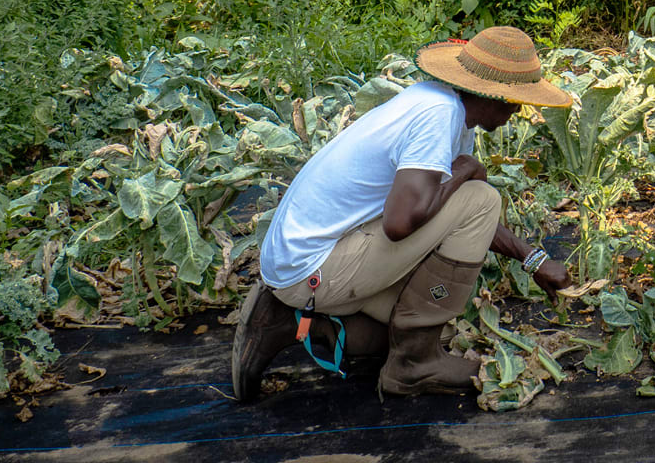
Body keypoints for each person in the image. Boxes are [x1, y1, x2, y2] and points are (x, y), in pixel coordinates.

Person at [230, 26, 575, 400]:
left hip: (305, 259)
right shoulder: (438, 117)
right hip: (315, 267)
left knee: (433, 323)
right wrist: (464, 173)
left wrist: (532, 259)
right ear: (490, 94)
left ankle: (289, 323)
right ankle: (414, 366)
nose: (517, 109)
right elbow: (399, 225)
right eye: (513, 98)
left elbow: (448, 212)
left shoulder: (441, 105)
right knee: (482, 198)